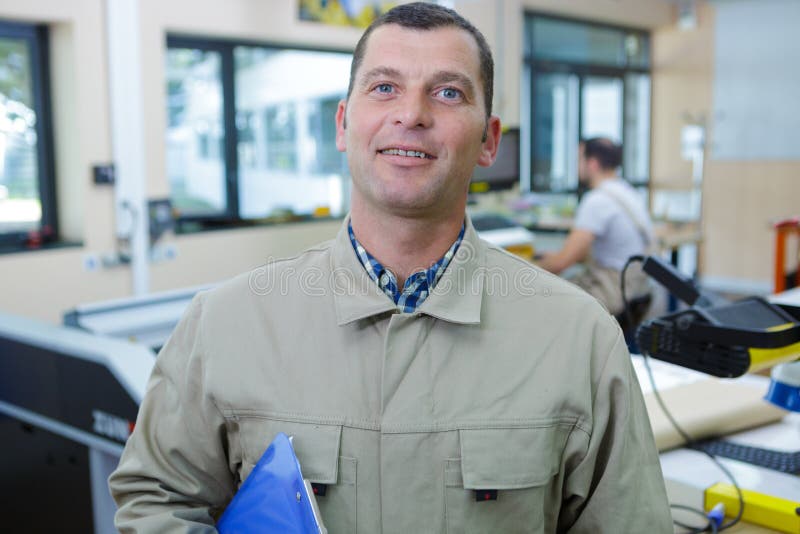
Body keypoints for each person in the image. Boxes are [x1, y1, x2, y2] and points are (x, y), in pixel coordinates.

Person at [109, 4, 672, 532]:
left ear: (488, 141)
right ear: (342, 124)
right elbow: (158, 501)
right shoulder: (224, 323)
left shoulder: (580, 339)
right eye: (384, 88)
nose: (411, 114)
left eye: (448, 93)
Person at [537, 138, 655, 316]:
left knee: (543, 299)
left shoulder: (597, 200)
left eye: (579, 159)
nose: (577, 166)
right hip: (640, 289)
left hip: (616, 291)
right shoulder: (627, 192)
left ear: (592, 163)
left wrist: (526, 267)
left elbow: (561, 263)